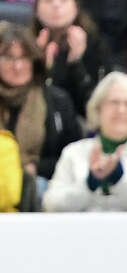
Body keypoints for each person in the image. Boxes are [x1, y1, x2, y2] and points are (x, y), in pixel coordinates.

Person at [43, 71, 127, 211]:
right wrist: (89, 183)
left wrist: (120, 179)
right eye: (114, 102)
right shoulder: (73, 152)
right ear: (98, 108)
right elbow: (51, 205)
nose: (121, 110)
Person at [0, 21, 81, 202]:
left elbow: (73, 155)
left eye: (24, 58)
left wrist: (35, 168)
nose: (17, 66)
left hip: (43, 186)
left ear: (34, 61)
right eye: (8, 58)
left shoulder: (57, 101)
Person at [29, 0, 111, 116]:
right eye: (48, 0)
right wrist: (39, 65)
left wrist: (76, 62)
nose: (56, 5)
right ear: (36, 9)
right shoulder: (27, 44)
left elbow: (96, 105)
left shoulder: (95, 43)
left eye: (64, 0)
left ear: (76, 6)